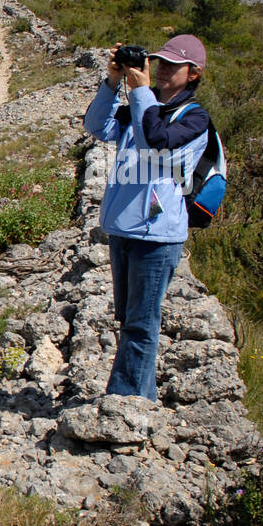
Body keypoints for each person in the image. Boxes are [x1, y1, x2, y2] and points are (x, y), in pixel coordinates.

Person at [82, 35, 210, 400]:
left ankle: (125, 406)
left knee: (141, 323)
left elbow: (154, 139)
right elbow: (96, 125)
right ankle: (144, 400)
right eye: (160, 63)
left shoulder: (194, 117)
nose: (164, 70)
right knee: (129, 319)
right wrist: (112, 82)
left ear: (194, 73)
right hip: (124, 230)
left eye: (173, 65)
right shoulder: (144, 105)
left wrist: (140, 93)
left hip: (158, 237)